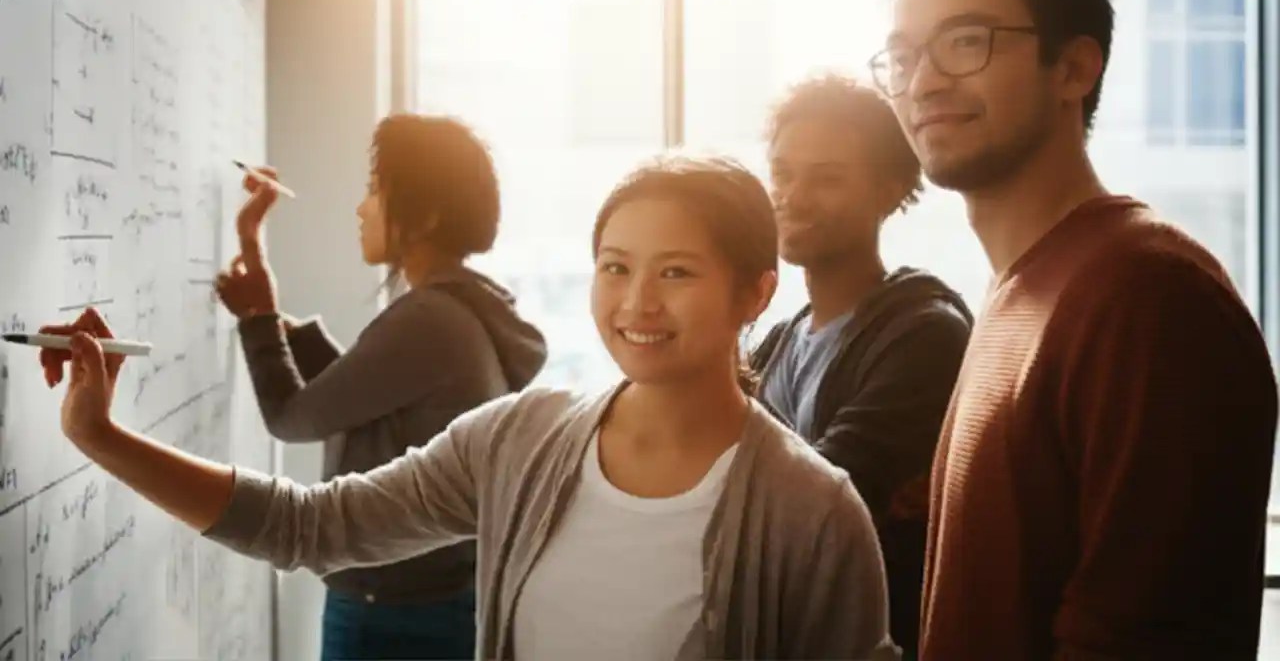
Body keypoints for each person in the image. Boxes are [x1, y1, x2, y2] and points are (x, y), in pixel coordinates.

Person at [40, 155, 900, 660]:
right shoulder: (523, 439)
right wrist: (101, 436)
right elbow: (310, 527)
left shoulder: (813, 513)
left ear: (755, 292)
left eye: (676, 272)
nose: (636, 302)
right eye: (614, 266)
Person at [869, 0, 1280, 658]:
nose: (924, 82)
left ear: (1074, 68)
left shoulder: (1148, 297)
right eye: (903, 58)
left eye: (967, 41)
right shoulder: (1017, 293)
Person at [213, 114, 548, 661]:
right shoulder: (462, 309)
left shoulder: (429, 318)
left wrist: (258, 318)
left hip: (391, 613)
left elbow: (292, 417)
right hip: (430, 600)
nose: (361, 206)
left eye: (375, 189)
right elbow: (363, 394)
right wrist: (267, 314)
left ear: (428, 214)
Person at [750, 73, 971, 659]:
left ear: (889, 190)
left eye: (826, 178)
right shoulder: (777, 343)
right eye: (782, 173)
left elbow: (820, 499)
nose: (792, 196)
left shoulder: (924, 335)